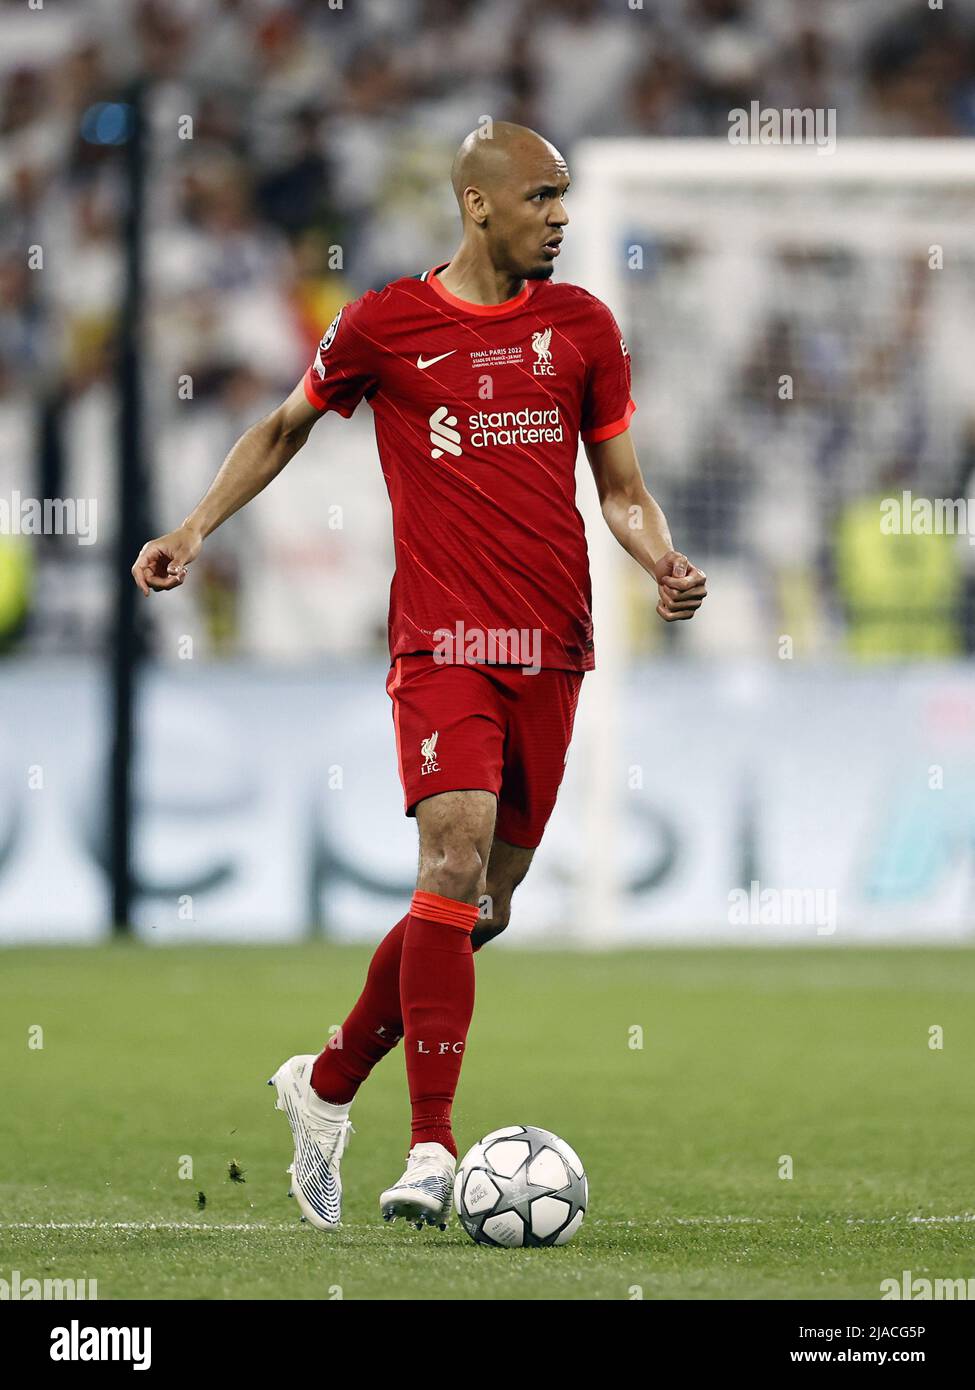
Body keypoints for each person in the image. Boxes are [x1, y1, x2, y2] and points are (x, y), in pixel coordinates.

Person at [131, 122, 708, 1233]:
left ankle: (327, 1082)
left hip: (555, 646)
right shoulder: (388, 323)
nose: (562, 215)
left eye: (567, 197)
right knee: (447, 856)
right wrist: (194, 526)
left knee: (479, 906)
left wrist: (661, 557)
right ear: (478, 204)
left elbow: (623, 488)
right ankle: (431, 1146)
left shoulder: (583, 326)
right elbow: (283, 427)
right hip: (443, 645)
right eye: (543, 196)